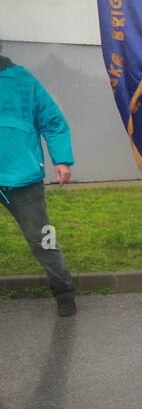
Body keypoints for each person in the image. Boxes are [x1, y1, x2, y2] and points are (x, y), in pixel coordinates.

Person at [0, 46, 77, 316]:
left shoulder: (23, 81)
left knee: (41, 238)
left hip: (22, 179)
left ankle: (63, 290)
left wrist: (62, 159)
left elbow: (53, 121)